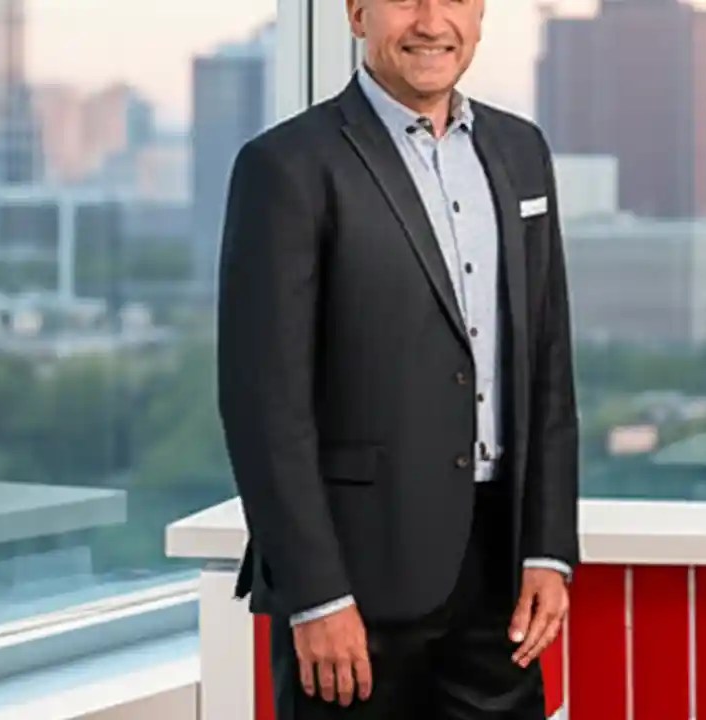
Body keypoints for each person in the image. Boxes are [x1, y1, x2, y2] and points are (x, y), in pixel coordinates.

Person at [217, 0, 578, 716]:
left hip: (499, 581)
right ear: (355, 14)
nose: (430, 21)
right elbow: (264, 405)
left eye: (453, 0)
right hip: (354, 582)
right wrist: (315, 594)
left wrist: (548, 549)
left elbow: (547, 364)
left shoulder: (520, 151)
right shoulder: (286, 166)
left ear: (479, 17)